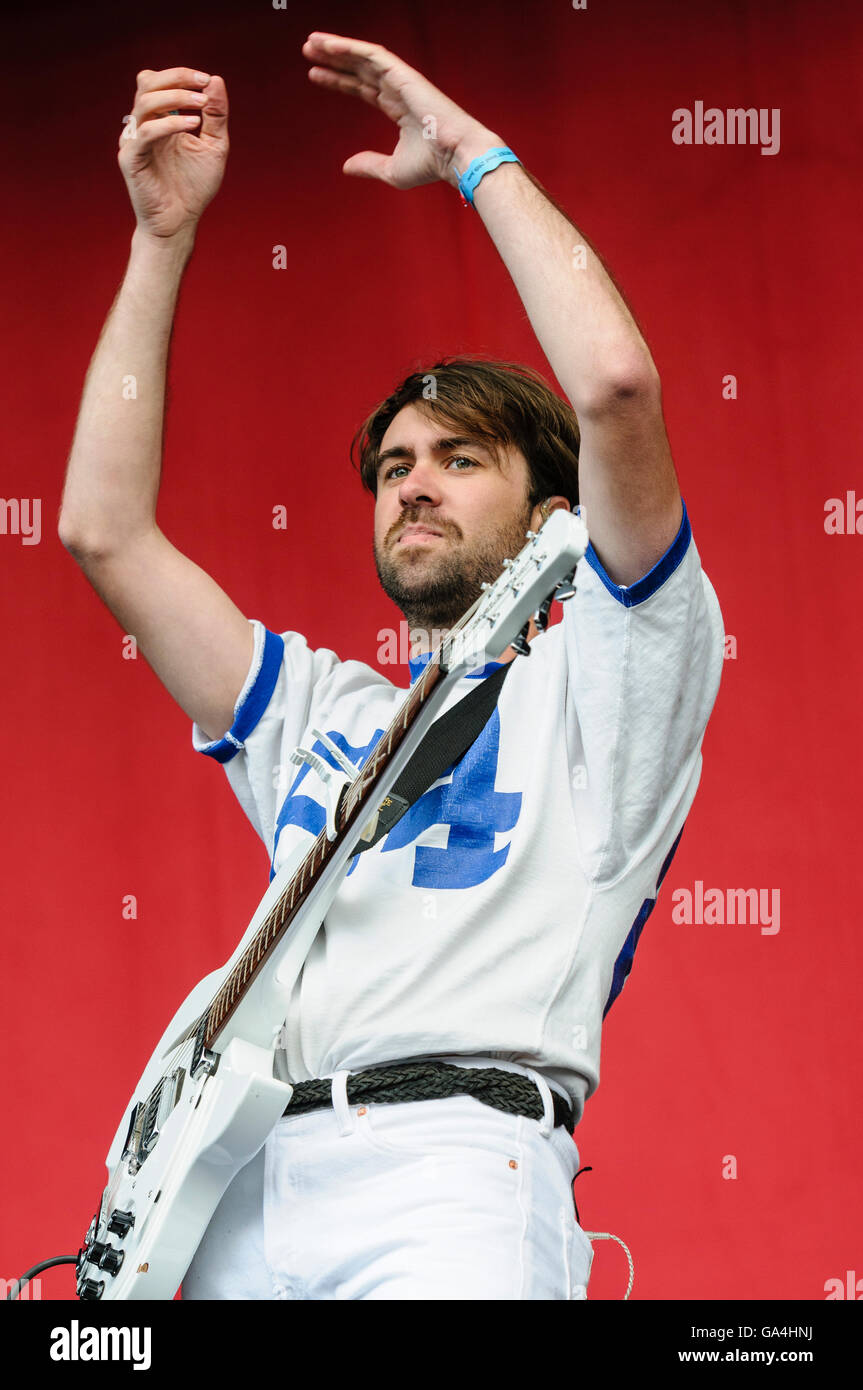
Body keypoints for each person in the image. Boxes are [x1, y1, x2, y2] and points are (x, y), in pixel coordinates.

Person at [58, 33, 724, 1301]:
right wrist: (159, 240)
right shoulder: (319, 705)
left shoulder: (613, 681)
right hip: (231, 1184)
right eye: (394, 465)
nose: (412, 482)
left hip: (453, 1174)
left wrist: (471, 158)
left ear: (548, 513)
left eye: (461, 457)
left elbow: (618, 387)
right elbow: (102, 528)